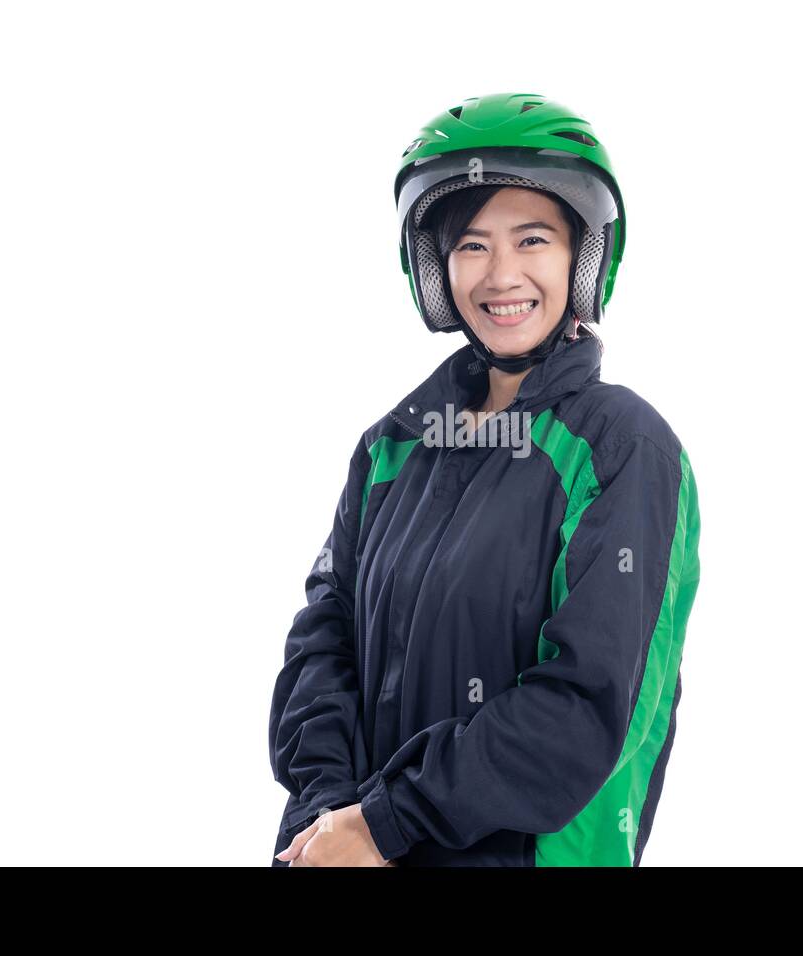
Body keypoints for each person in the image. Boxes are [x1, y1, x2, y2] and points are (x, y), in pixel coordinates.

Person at [269, 92, 701, 866]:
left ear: (582, 255)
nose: (501, 276)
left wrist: (383, 824)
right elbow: (322, 645)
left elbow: (581, 708)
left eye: (532, 239)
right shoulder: (391, 449)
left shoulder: (622, 448)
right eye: (472, 245)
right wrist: (327, 818)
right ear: (438, 268)